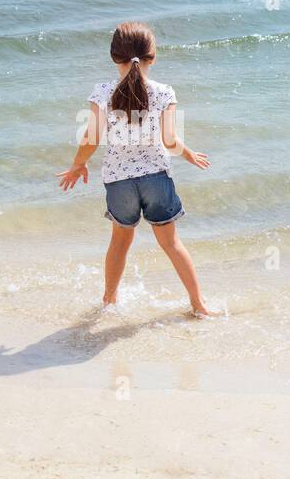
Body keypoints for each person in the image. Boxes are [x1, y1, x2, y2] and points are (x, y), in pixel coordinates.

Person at [57, 21, 212, 316]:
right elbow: (169, 140)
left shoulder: (102, 92)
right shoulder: (164, 92)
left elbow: (91, 137)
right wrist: (189, 154)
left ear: (114, 56)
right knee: (171, 243)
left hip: (119, 182)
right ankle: (199, 305)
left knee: (119, 242)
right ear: (153, 57)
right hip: (156, 179)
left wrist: (78, 164)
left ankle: (109, 302)